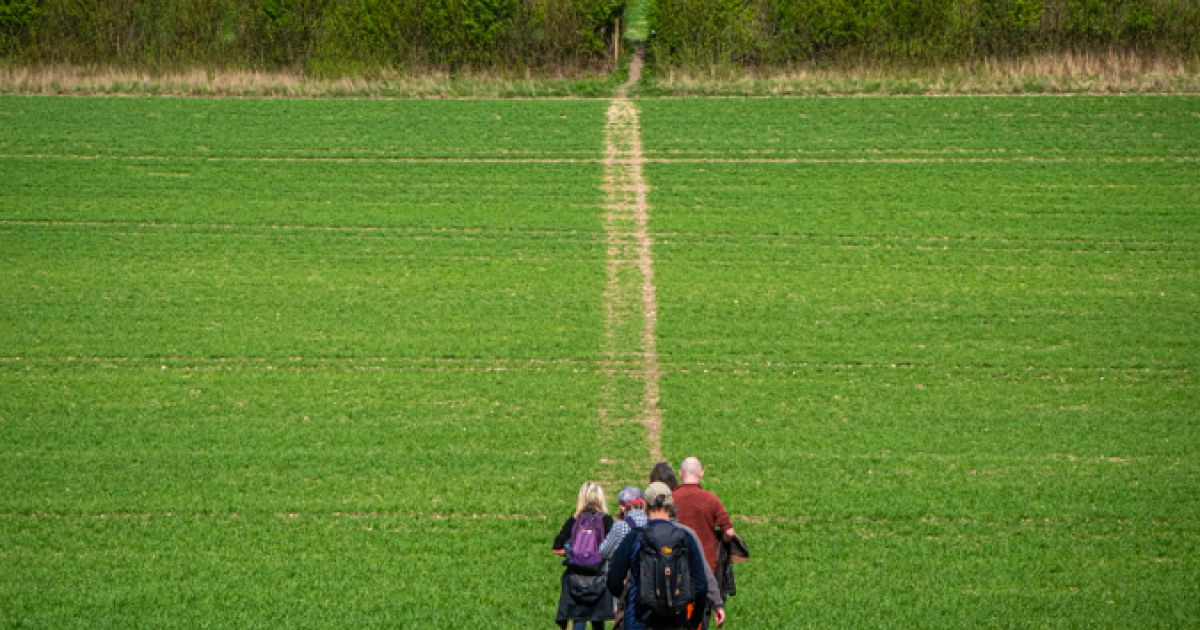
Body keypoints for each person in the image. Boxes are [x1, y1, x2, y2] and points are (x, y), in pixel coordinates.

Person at [606, 482, 708, 630]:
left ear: (645, 506)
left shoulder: (635, 537)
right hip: (675, 621)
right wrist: (693, 621)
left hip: (638, 619)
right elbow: (701, 586)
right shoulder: (685, 538)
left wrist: (626, 599)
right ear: (671, 506)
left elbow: (613, 580)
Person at [672, 457, 735, 628]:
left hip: (674, 570)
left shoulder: (671, 499)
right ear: (701, 474)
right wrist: (722, 540)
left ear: (680, 474)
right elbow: (729, 531)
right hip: (705, 570)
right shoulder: (711, 499)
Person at [553, 481, 617, 630]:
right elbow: (614, 546)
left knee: (578, 619)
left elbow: (557, 546)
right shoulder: (606, 520)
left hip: (576, 579)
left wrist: (570, 552)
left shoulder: (575, 520)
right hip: (599, 578)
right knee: (597, 621)